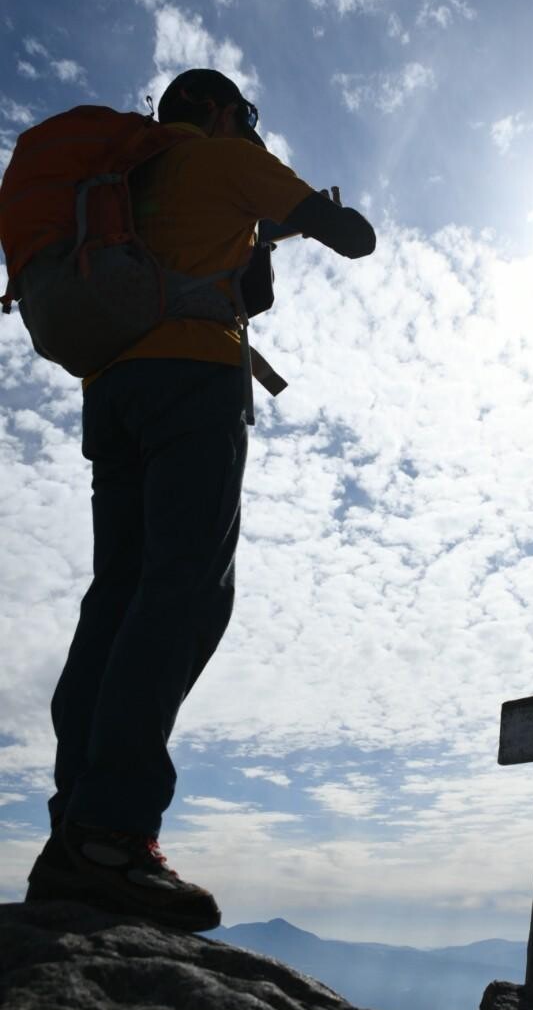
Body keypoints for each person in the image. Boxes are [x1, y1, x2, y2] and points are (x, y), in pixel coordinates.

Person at [25, 68, 376, 931]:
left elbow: (249, 292)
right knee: (184, 591)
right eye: (243, 115)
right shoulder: (226, 161)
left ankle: (74, 828)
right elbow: (355, 238)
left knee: (117, 597)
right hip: (192, 378)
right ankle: (113, 832)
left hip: (111, 393)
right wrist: (274, 197)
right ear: (220, 113)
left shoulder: (127, 175)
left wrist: (250, 238)